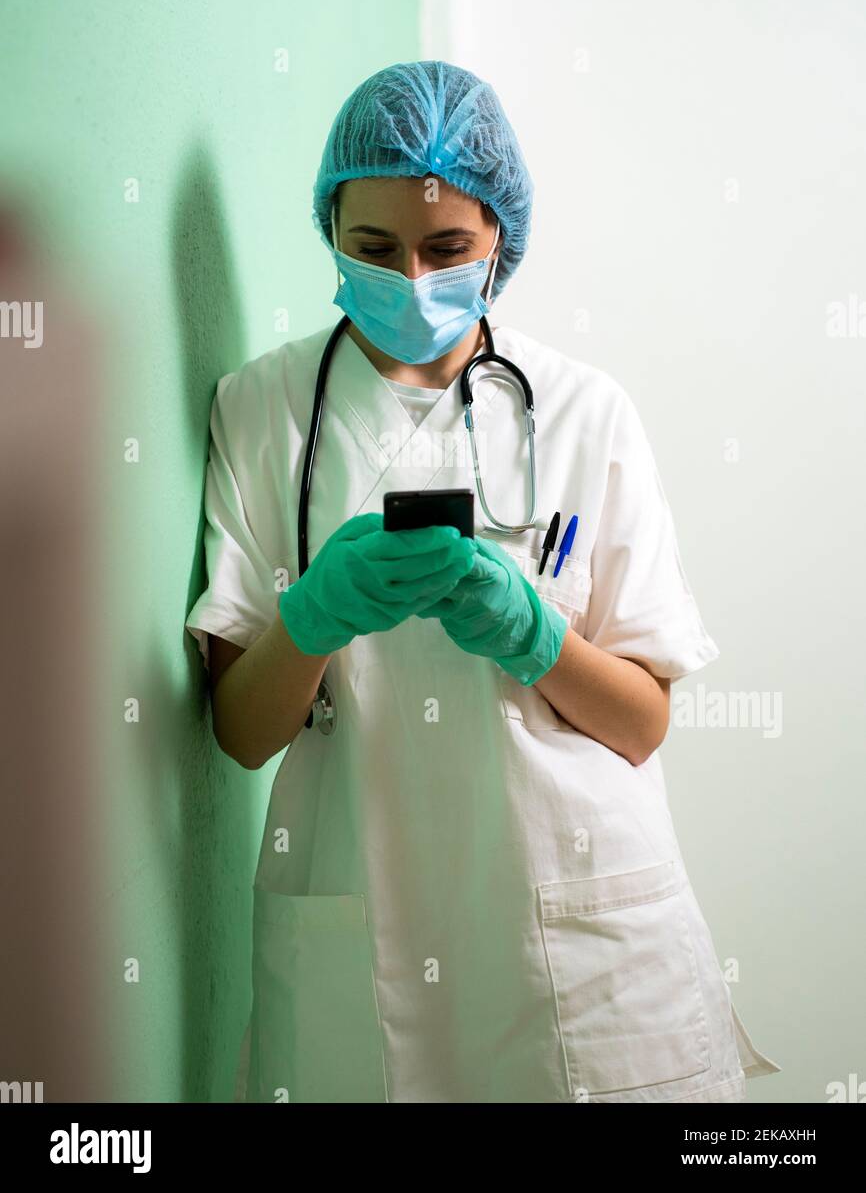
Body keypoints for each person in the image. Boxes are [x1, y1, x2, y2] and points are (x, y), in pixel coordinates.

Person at [185, 60, 780, 1103]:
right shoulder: (261, 406)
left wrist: (534, 637)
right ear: (329, 227)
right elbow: (239, 732)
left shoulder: (586, 412)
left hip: (577, 926)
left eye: (447, 248)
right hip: (361, 903)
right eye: (374, 248)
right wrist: (312, 619)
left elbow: (642, 722)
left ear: (501, 236)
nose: (412, 279)